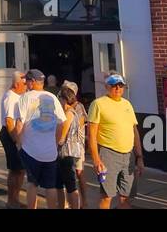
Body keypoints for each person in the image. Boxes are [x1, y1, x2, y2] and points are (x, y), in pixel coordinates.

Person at [13, 69, 67, 209]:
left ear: (32, 82)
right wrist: (55, 142)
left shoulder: (24, 98)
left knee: (32, 184)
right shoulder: (52, 97)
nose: (26, 84)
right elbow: (62, 123)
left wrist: (19, 143)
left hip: (31, 150)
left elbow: (19, 123)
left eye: (27, 81)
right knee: (50, 186)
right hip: (50, 152)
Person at [88, 73, 142, 209]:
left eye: (120, 85)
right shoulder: (98, 104)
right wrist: (96, 159)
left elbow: (134, 131)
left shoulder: (127, 104)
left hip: (128, 155)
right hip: (109, 154)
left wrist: (139, 156)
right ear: (107, 86)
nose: (117, 89)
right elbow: (92, 134)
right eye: (114, 86)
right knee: (107, 196)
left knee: (126, 197)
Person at [58, 81, 88, 210]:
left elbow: (80, 124)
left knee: (77, 174)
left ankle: (83, 202)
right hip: (73, 146)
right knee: (66, 177)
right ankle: (68, 203)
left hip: (74, 146)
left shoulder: (77, 108)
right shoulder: (63, 108)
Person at [0, 70, 27, 206]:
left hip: (18, 135)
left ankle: (16, 199)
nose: (26, 86)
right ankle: (11, 201)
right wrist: (16, 141)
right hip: (10, 135)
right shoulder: (10, 98)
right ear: (17, 84)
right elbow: (9, 122)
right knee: (15, 169)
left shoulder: (20, 96)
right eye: (24, 84)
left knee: (21, 170)